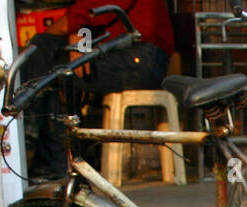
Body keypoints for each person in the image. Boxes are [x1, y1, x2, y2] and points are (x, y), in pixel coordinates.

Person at [20, 0, 175, 180]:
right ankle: (41, 143)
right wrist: (78, 38)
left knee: (57, 72)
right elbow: (87, 22)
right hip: (124, 53)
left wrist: (76, 32)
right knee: (47, 49)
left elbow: (87, 13)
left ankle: (50, 160)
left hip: (140, 58)